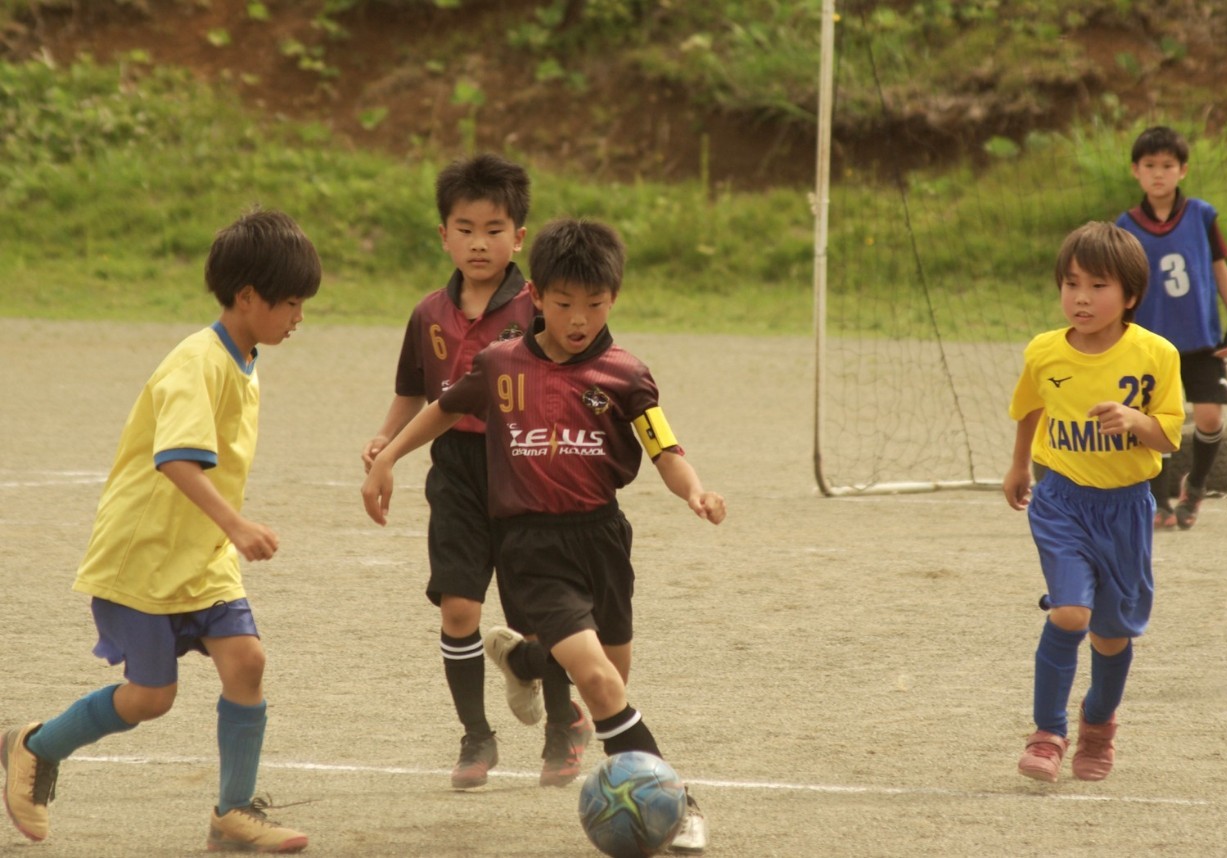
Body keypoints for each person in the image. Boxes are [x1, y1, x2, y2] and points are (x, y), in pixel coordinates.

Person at [360, 217, 725, 852]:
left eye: (595, 304)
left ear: (614, 299)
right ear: (539, 296)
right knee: (601, 685)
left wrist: (692, 487)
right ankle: (678, 802)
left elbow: (665, 448)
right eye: (562, 304)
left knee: (612, 673)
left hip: (603, 542)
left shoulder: (627, 375)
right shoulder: (500, 363)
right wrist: (389, 454)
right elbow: (443, 408)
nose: (578, 317)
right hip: (531, 548)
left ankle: (522, 659)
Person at [1, 209, 321, 851]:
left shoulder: (247, 356)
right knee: (151, 698)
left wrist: (222, 536)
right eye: (290, 303)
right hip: (143, 558)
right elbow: (174, 458)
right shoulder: (196, 362)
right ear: (248, 297)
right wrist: (237, 525)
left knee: (247, 662)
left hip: (200, 557)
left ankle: (233, 814)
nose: (299, 317)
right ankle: (32, 747)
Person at [361, 153, 592, 790]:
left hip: (529, 468)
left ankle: (561, 727)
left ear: (520, 237)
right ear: (444, 235)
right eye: (465, 228)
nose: (479, 242)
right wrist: (386, 438)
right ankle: (476, 736)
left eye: (495, 230)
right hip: (458, 470)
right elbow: (416, 390)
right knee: (459, 608)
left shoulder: (542, 307)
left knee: (547, 617)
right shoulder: (428, 313)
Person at [1003, 221, 1183, 783]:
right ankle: (1048, 733)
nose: (1081, 297)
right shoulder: (1044, 352)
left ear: (1129, 295)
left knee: (1111, 633)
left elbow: (1169, 435)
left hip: (1126, 507)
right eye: (1071, 283)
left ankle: (1098, 726)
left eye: (1098, 286)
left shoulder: (1156, 355)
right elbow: (1030, 406)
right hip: (1060, 499)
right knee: (1071, 612)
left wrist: (1137, 421)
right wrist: (1018, 464)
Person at [1117, 125, 1227, 530]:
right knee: (1156, 421)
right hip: (1152, 344)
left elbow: (1218, 267)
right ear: (1135, 171)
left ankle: (1198, 485)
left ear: (1182, 170)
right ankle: (1159, 501)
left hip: (1200, 341)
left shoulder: (1201, 215)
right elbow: (1121, 283)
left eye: (1167, 166)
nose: (1159, 173)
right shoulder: (1126, 224)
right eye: (1150, 165)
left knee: (1210, 418)